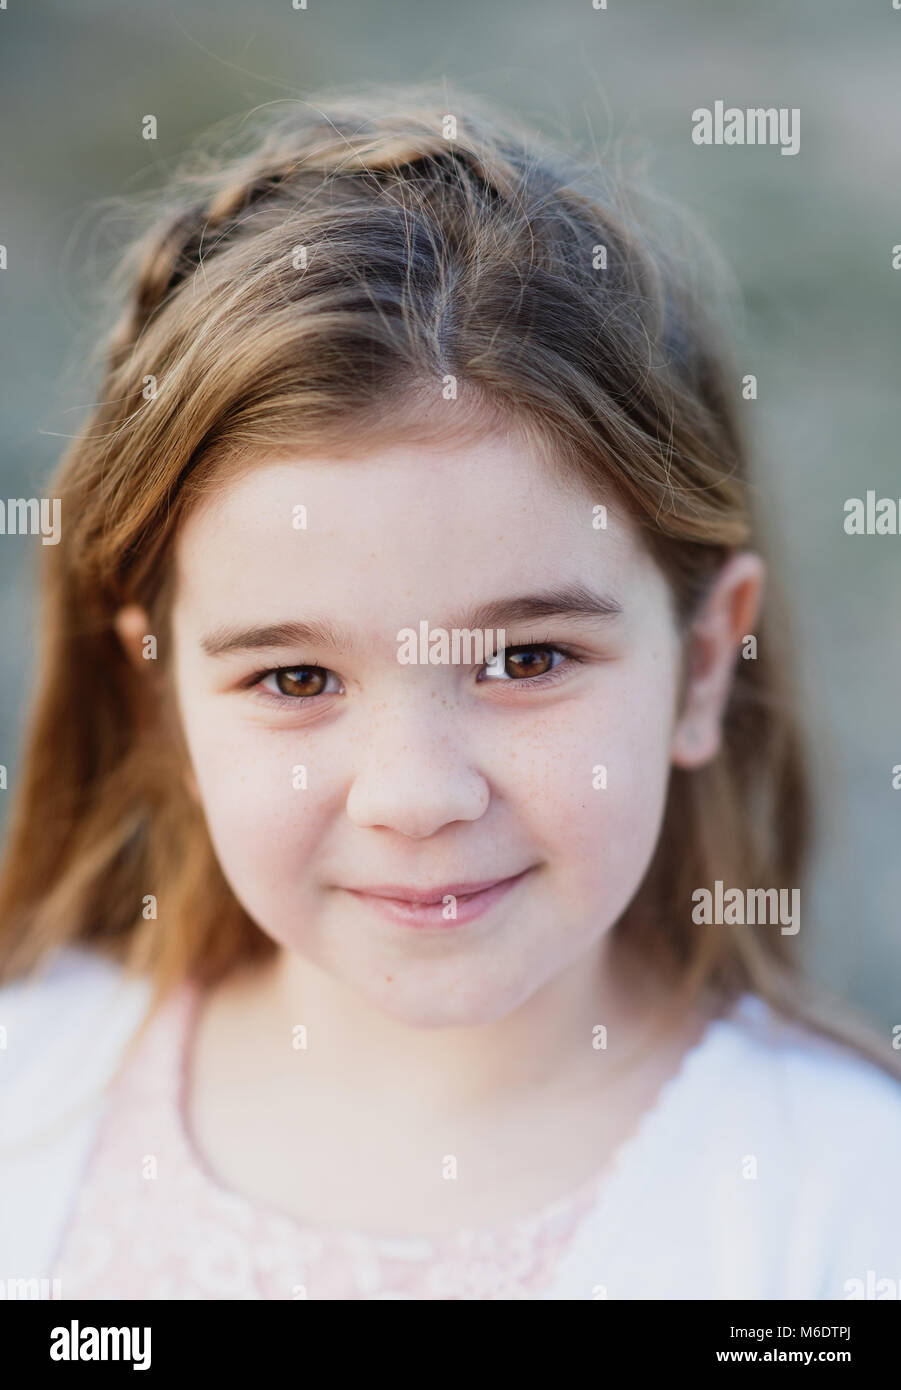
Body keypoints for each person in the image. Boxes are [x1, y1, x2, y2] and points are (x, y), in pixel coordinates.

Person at [1, 81, 899, 1301]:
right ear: (162, 699)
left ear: (701, 664)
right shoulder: (30, 1091)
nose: (417, 796)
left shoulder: (843, 1210)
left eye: (527, 660)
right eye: (296, 675)